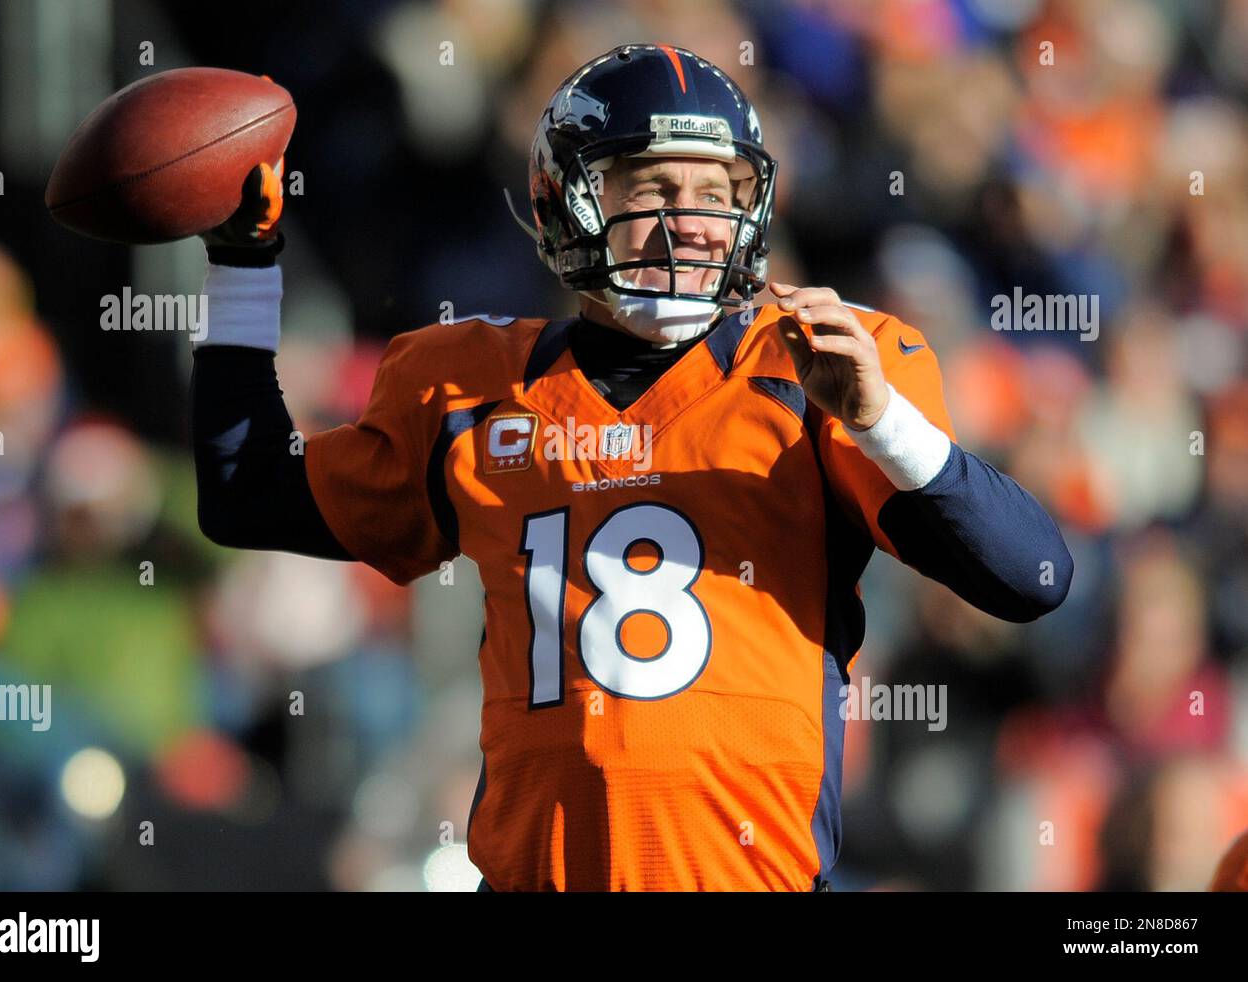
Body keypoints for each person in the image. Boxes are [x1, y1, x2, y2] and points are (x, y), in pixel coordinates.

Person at [191, 44, 1073, 891]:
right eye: (652, 186)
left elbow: (1030, 576)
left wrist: (881, 422)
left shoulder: (818, 369)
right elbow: (245, 494)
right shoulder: (467, 386)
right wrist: (242, 269)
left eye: (715, 193)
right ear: (566, 202)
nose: (689, 220)